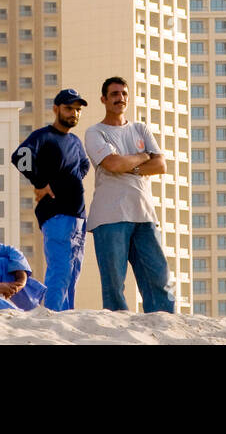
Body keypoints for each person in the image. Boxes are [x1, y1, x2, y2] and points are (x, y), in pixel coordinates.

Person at [82, 76, 176, 313]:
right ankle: (118, 332)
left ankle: (165, 328)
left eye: (124, 93)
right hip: (110, 216)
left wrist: (130, 166)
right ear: (104, 99)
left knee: (159, 277)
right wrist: (143, 157)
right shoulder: (95, 132)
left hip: (144, 214)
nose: (120, 98)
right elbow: (112, 164)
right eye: (114, 94)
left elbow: (161, 166)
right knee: (114, 284)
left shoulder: (140, 128)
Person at [12, 88, 91, 311]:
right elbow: (19, 156)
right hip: (56, 214)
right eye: (68, 108)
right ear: (56, 109)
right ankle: (54, 316)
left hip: (78, 215)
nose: (74, 113)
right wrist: (40, 182)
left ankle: (66, 315)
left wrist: (68, 181)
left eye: (77, 110)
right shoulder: (43, 136)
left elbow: (83, 165)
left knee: (74, 271)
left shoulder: (75, 141)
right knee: (60, 269)